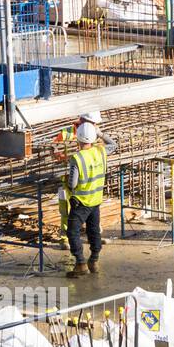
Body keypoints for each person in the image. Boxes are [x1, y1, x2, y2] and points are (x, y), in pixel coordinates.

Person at [53, 111, 117, 249]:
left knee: (92, 210)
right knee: (66, 209)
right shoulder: (66, 134)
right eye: (93, 123)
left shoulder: (93, 134)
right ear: (84, 121)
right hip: (69, 179)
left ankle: (94, 237)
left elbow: (104, 149)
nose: (95, 126)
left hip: (87, 180)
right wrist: (64, 157)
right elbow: (53, 150)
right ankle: (65, 238)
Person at [65, 122, 107, 278]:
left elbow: (73, 183)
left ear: (78, 139)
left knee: (72, 232)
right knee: (94, 231)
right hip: (95, 201)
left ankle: (81, 263)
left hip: (81, 202)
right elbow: (113, 144)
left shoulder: (77, 158)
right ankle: (94, 260)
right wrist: (101, 133)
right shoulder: (101, 152)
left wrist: (68, 184)